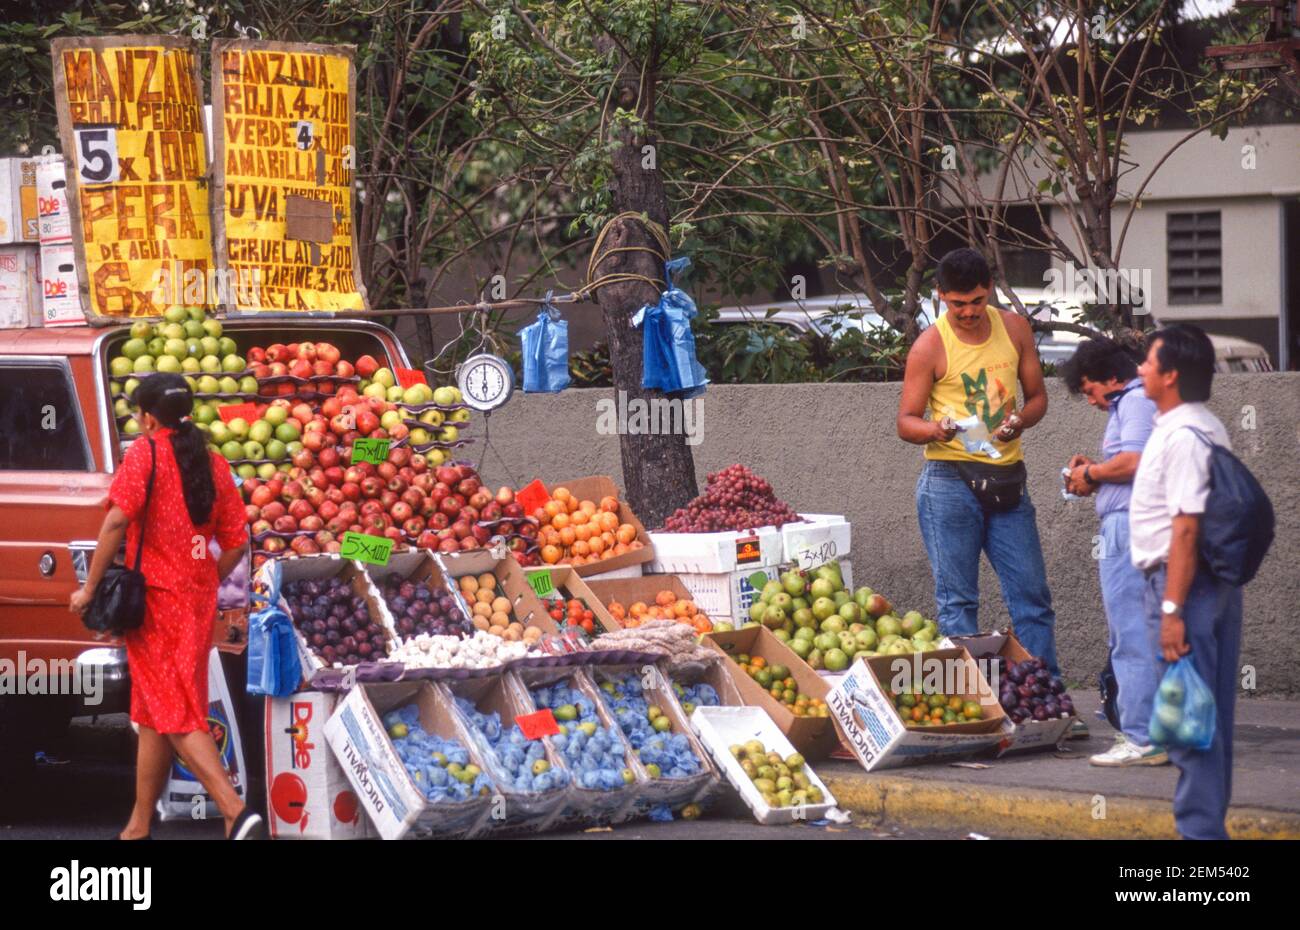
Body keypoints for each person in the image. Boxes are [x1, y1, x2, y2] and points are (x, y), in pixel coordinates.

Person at [69, 373, 263, 840]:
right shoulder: (214, 463)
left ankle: (235, 810)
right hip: (196, 603)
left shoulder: (145, 453)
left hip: (155, 604)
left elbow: (117, 520)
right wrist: (204, 580)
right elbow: (236, 542)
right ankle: (137, 826)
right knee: (156, 710)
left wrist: (89, 589)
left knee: (173, 710)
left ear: (148, 416)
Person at [897, 247, 1061, 677]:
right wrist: (937, 429)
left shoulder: (1015, 329)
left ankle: (1048, 697)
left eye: (977, 301)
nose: (969, 312)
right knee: (958, 603)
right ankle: (973, 706)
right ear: (940, 296)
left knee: (1032, 597)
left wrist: (1020, 421)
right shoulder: (929, 346)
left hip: (1008, 480)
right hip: (948, 483)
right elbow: (906, 422)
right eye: (957, 304)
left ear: (990, 289)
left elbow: (1038, 398)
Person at [1129, 324, 1242, 840]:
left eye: (1148, 362)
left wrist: (1172, 611)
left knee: (1189, 720)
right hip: (1205, 587)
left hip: (1185, 590)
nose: (1140, 370)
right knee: (1208, 716)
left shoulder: (1181, 437)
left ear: (1170, 374)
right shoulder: (1203, 425)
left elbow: (1186, 529)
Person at [1060, 338, 1167, 766]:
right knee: (1148, 630)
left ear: (1111, 377)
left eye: (1089, 390)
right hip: (1141, 523)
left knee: (1129, 632)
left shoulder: (1135, 400)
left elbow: (1136, 461)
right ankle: (1160, 734)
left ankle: (1140, 737)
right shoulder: (1137, 401)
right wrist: (1096, 474)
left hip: (1128, 529)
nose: (1091, 401)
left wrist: (1090, 472)